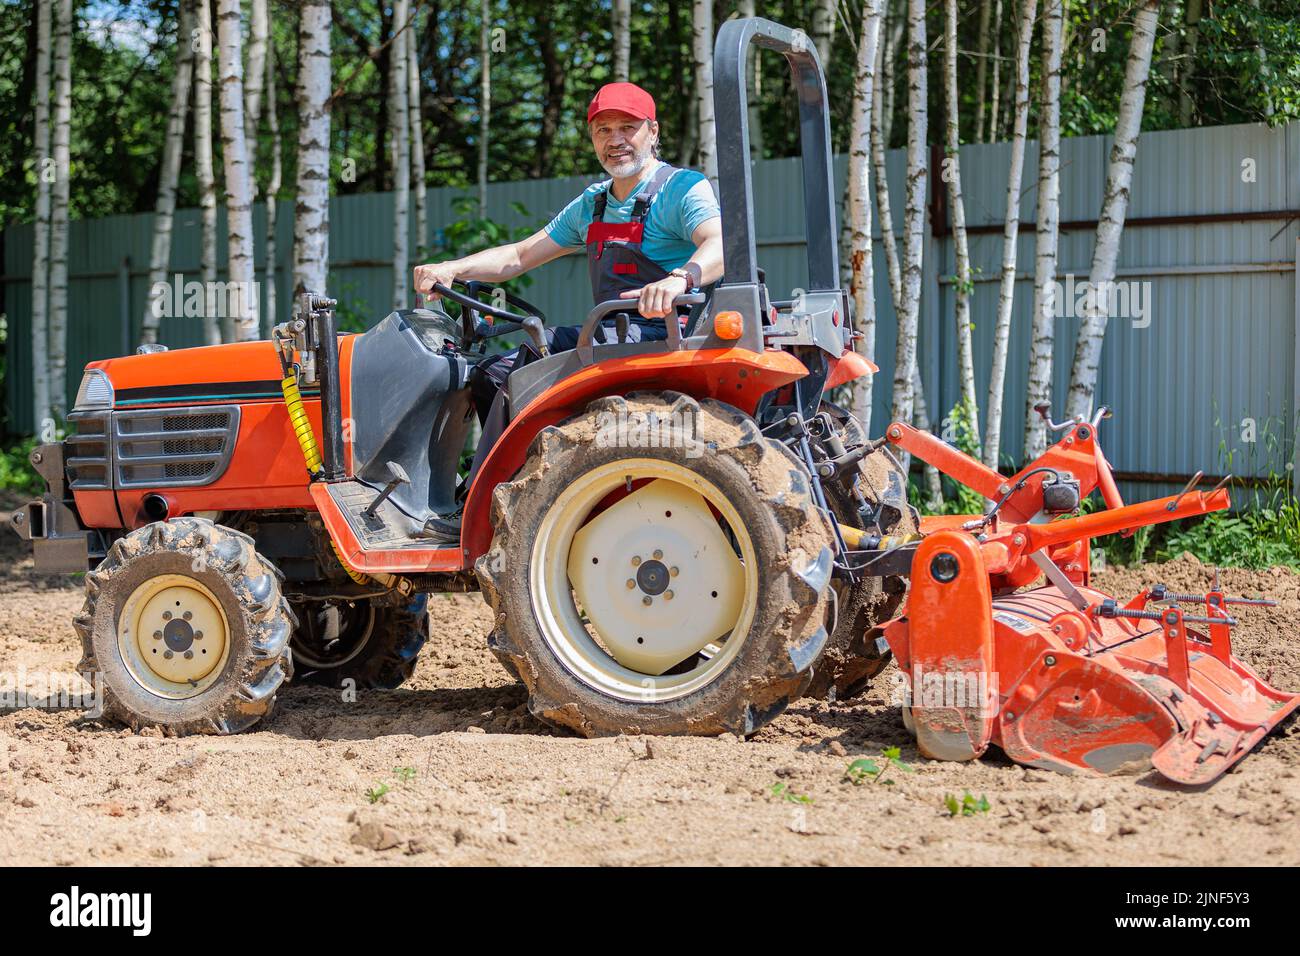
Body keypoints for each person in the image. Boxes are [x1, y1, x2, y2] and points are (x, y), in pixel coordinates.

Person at [410, 82, 724, 540]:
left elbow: (719, 245)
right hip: (607, 335)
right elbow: (519, 256)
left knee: (522, 374)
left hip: (653, 337)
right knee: (492, 374)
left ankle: (485, 511)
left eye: (628, 128)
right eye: (603, 130)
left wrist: (680, 278)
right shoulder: (594, 202)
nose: (615, 140)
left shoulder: (680, 189)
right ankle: (511, 491)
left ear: (652, 132)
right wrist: (452, 268)